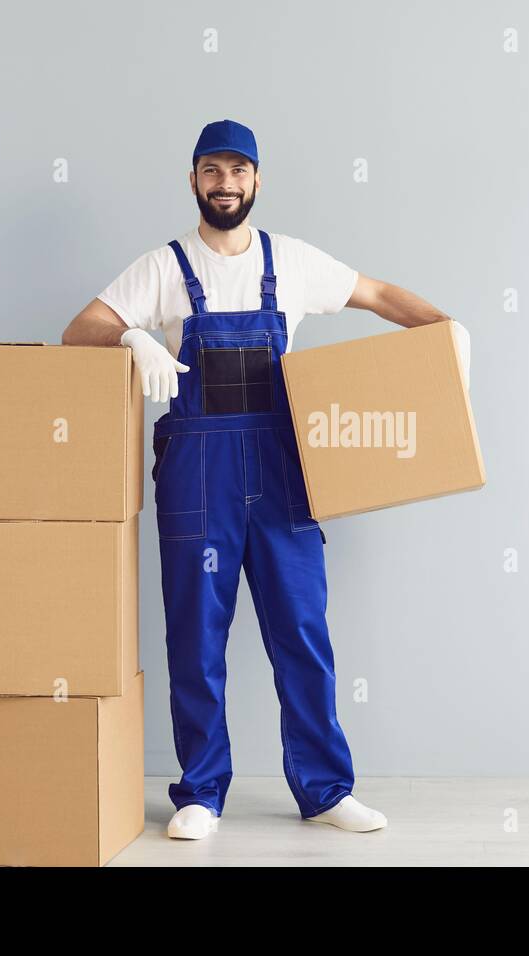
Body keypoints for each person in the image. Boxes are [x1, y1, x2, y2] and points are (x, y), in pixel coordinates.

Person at [61, 119, 470, 840]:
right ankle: (200, 793)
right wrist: (130, 335)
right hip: (198, 481)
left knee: (303, 632)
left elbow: (376, 292)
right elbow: (78, 329)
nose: (225, 184)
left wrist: (447, 330)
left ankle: (325, 789)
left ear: (257, 180)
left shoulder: (292, 262)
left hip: (284, 477)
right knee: (195, 636)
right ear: (193, 180)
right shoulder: (163, 268)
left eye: (238, 171)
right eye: (212, 171)